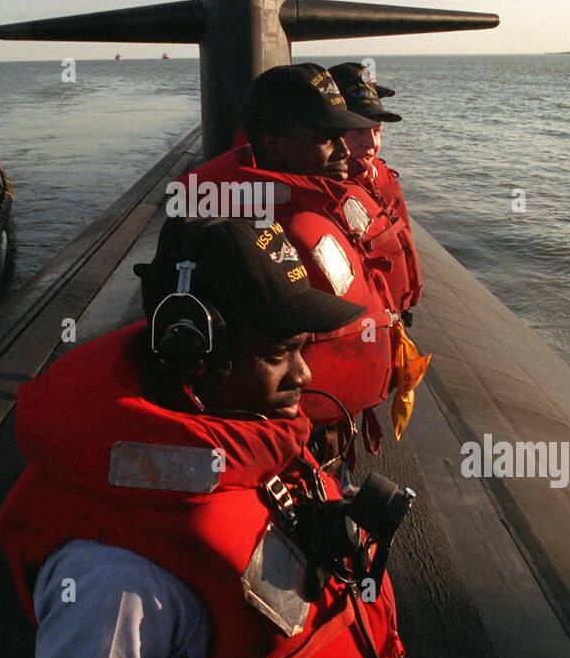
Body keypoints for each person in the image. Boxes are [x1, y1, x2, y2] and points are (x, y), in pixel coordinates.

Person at [0, 216, 404, 658]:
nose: (303, 374)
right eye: (279, 352)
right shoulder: (113, 584)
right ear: (194, 352)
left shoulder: (234, 439)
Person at [180, 64, 428, 456]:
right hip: (294, 435)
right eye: (327, 138)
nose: (344, 150)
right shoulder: (241, 238)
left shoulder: (320, 197)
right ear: (274, 142)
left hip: (334, 418)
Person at [329, 64, 421, 317]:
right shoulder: (321, 197)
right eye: (357, 132)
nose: (371, 144)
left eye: (377, 131)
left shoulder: (374, 176)